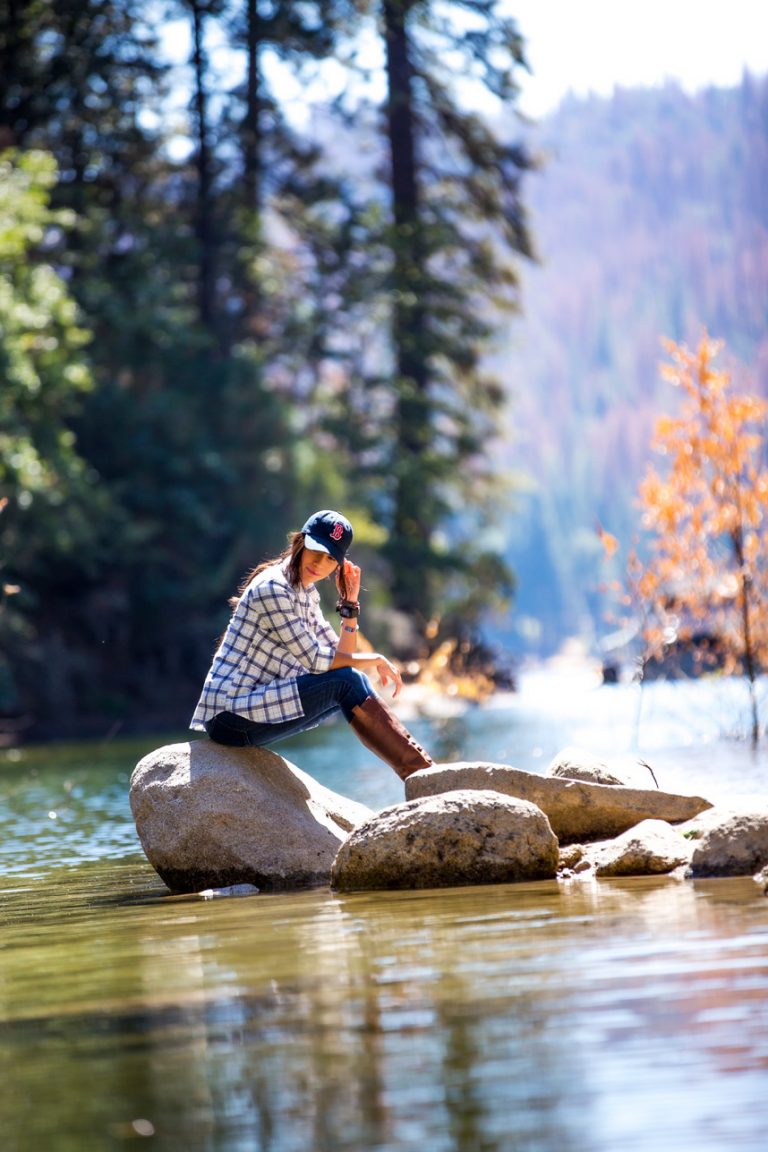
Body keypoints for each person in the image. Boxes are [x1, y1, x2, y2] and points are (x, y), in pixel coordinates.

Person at [190, 509, 433, 781]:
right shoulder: (273, 588)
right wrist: (376, 658)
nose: (319, 563)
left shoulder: (305, 592)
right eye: (316, 549)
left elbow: (341, 655)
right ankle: (421, 773)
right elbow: (317, 661)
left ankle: (421, 770)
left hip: (253, 706)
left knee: (351, 679)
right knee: (348, 681)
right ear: (300, 542)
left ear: (338, 565)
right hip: (230, 715)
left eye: (330, 558)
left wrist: (350, 605)